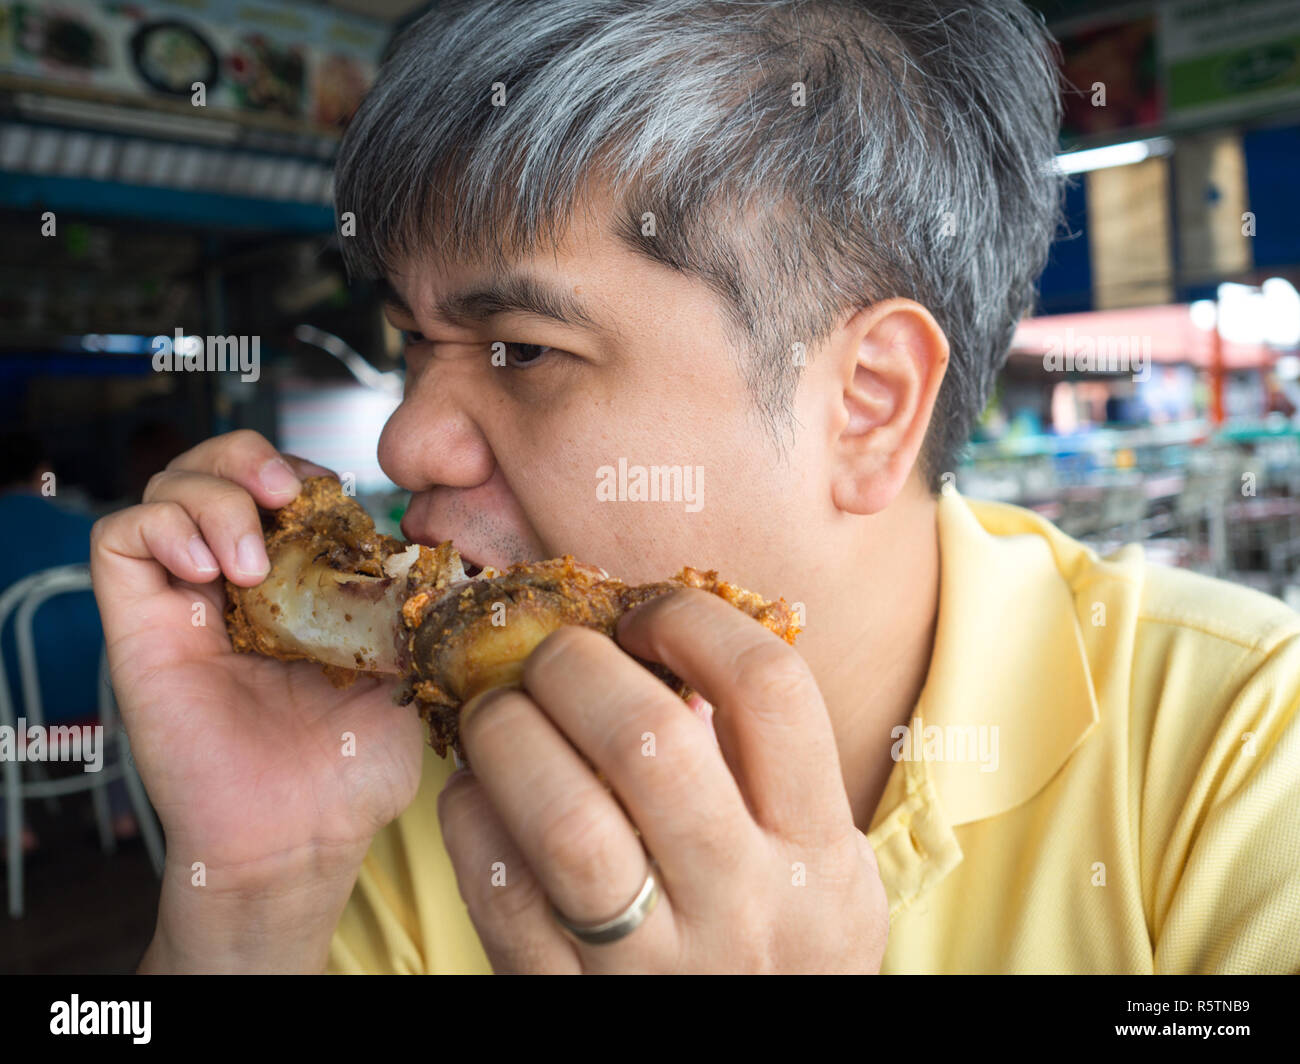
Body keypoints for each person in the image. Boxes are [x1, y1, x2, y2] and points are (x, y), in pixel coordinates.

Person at [90, 0, 1300, 974]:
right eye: (414, 340)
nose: (407, 444)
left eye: (522, 347)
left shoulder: (1242, 762)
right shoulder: (394, 769)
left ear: (867, 403)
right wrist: (255, 897)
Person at [0, 432, 136, 855]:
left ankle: (13, 835)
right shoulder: (97, 533)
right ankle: (121, 816)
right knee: (110, 665)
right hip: (107, 709)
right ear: (43, 474)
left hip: (13, 719)